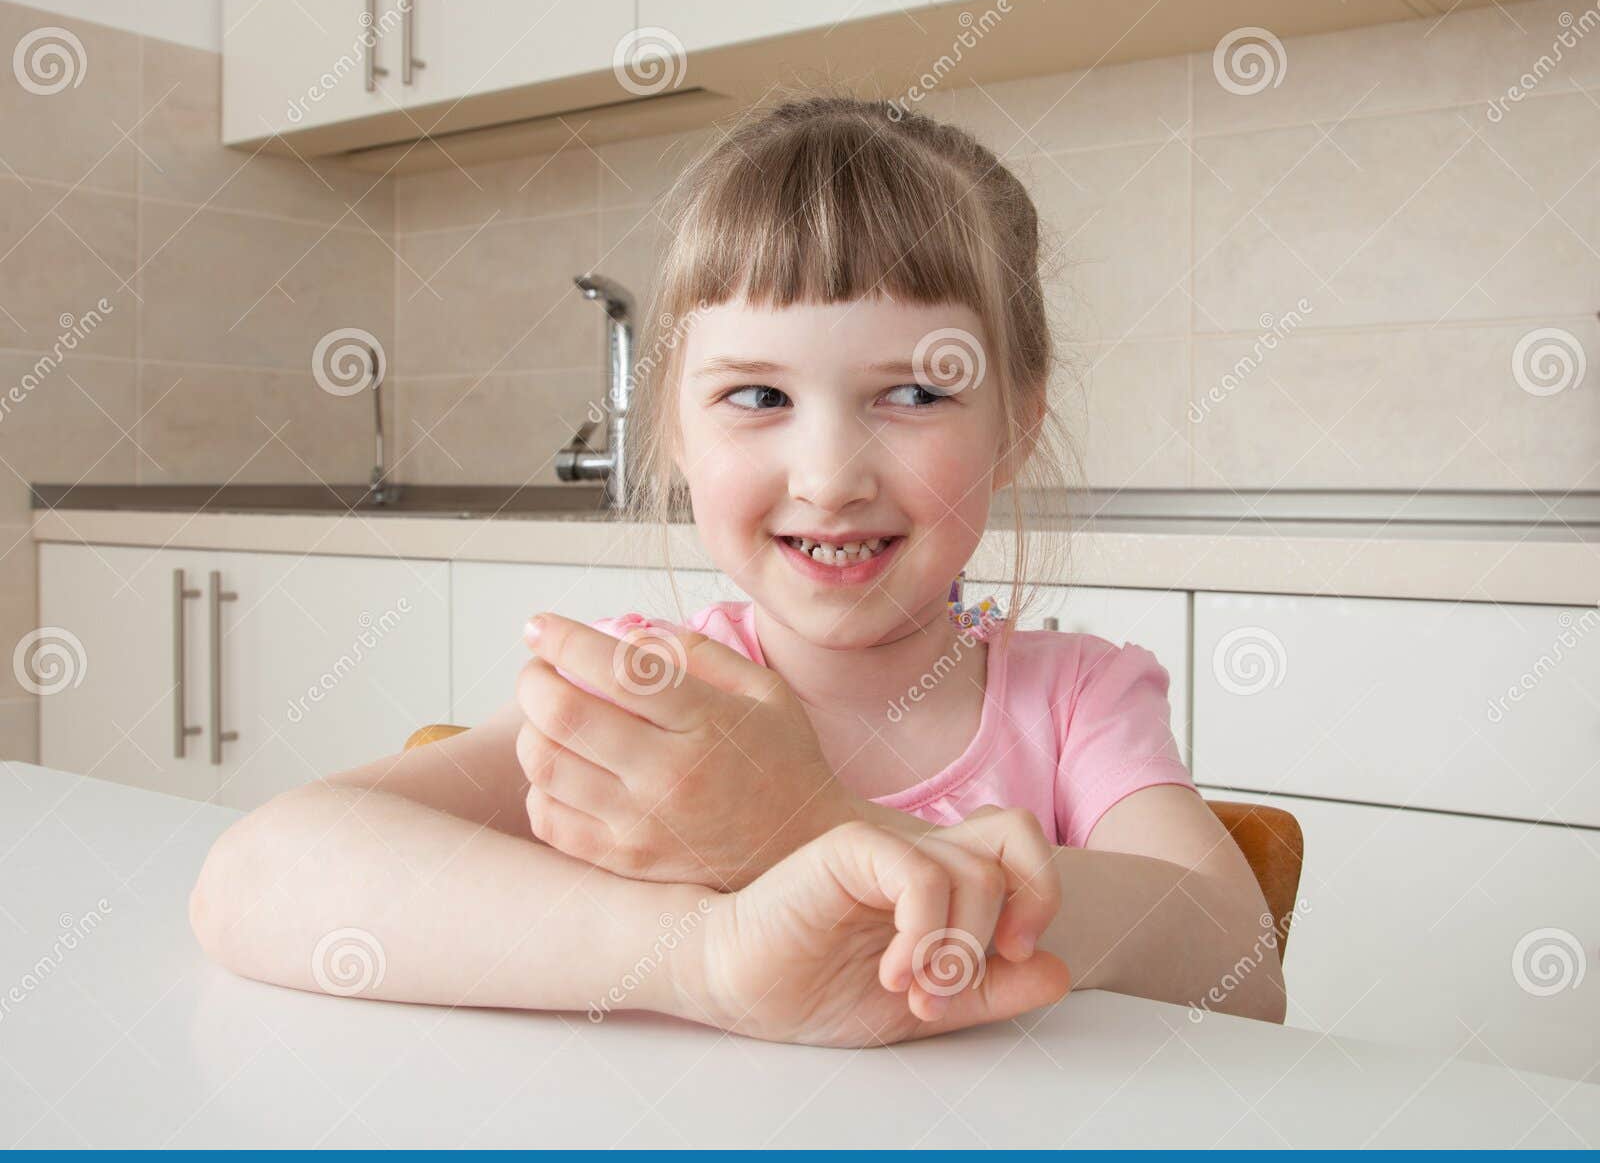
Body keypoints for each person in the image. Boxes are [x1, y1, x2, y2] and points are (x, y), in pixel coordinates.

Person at [188, 94, 1285, 1046]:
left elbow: (1241, 969)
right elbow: (257, 878)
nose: (829, 475)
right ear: (675, 432)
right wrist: (708, 957)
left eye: (914, 391)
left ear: (1016, 423)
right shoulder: (655, 698)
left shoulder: (1077, 699)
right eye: (757, 396)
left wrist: (803, 825)